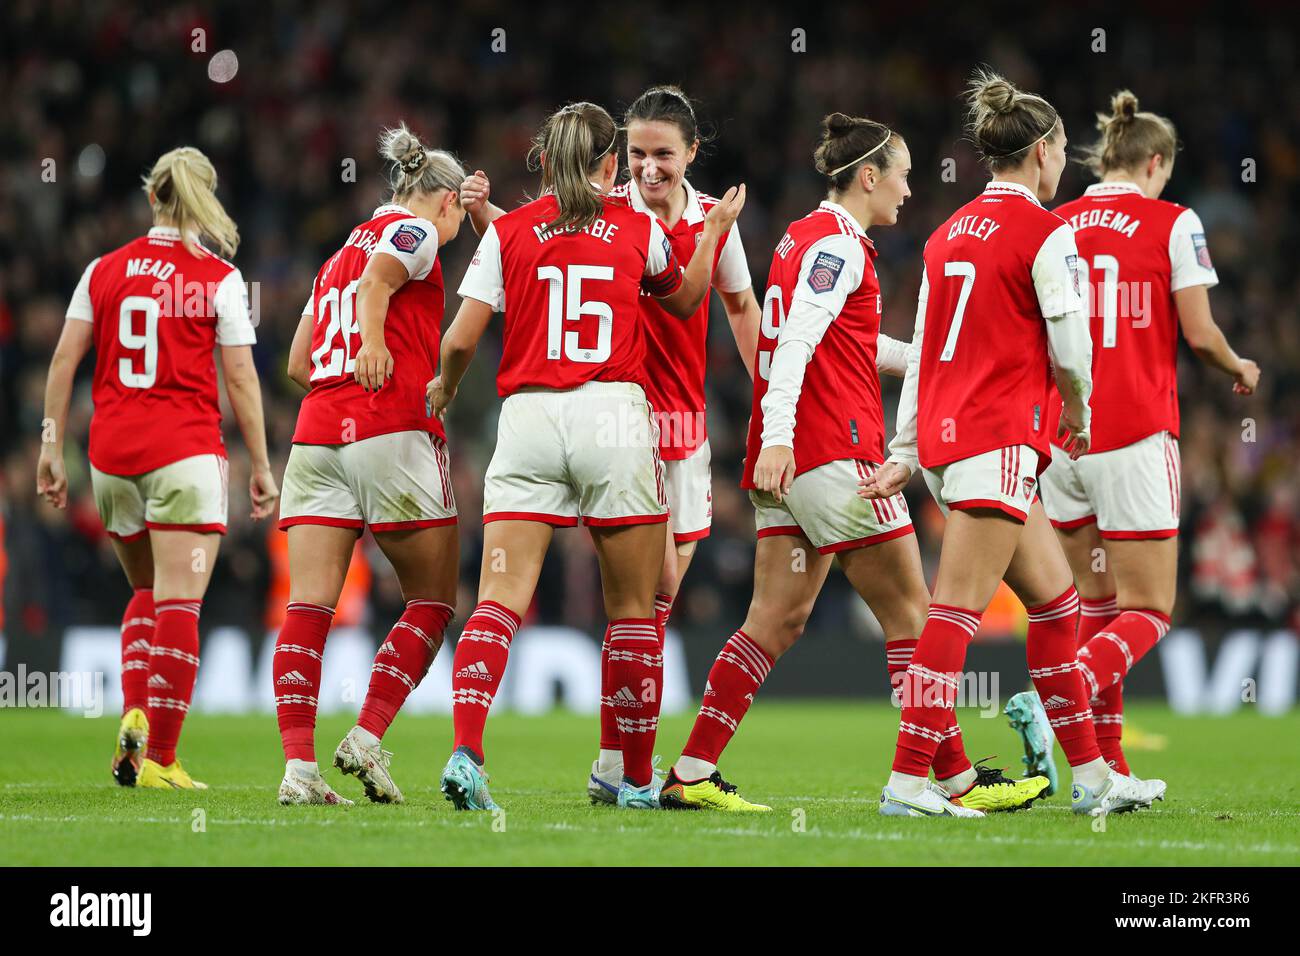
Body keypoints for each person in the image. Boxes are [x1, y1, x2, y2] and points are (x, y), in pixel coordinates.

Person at [659, 113, 1049, 813]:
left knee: (774, 619)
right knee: (915, 613)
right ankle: (953, 781)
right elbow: (801, 345)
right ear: (867, 176)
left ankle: (690, 771)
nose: (908, 188)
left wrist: (937, 361)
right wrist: (781, 436)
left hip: (790, 464)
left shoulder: (803, 239)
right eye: (900, 173)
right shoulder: (837, 245)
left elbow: (851, 346)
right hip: (830, 453)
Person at [863, 70, 1165, 817]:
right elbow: (1069, 342)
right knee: (955, 612)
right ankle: (906, 781)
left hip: (945, 441)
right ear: (1041, 153)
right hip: (997, 440)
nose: (1065, 163)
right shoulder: (1044, 230)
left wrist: (905, 449)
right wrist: (1080, 409)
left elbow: (929, 349)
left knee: (1058, 606)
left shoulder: (945, 234)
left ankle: (1094, 779)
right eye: (1063, 149)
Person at [429, 101, 744, 810]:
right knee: (633, 609)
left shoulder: (507, 231)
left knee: (498, 602)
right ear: (611, 165)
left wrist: (446, 390)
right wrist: (715, 231)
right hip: (613, 420)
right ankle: (632, 778)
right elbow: (688, 301)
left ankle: (468, 752)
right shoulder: (639, 228)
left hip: (530, 419)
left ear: (542, 160)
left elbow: (457, 340)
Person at [1022, 90, 1260, 778]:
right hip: (1132, 434)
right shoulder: (1172, 222)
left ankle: (1109, 768)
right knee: (1150, 609)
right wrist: (1238, 366)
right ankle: (1055, 699)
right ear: (1156, 162)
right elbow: (1200, 332)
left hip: (1063, 443)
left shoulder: (1055, 221)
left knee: (1096, 604)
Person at [37, 146, 277, 790]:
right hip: (185, 454)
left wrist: (48, 447)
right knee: (179, 602)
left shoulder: (103, 270)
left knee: (144, 592)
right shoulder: (219, 279)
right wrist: (260, 463)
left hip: (111, 459)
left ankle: (133, 722)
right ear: (205, 199)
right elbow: (241, 380)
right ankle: (162, 759)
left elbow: (63, 362)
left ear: (152, 198)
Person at [273, 125, 468, 806]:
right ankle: (366, 735)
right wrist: (378, 349)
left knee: (308, 606)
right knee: (434, 601)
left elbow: (298, 364)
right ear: (442, 201)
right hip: (387, 424)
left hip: (316, 432)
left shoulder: (334, 257)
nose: (457, 230)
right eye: (459, 217)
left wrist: (341, 393)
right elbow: (382, 283)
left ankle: (299, 769)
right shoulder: (412, 233)